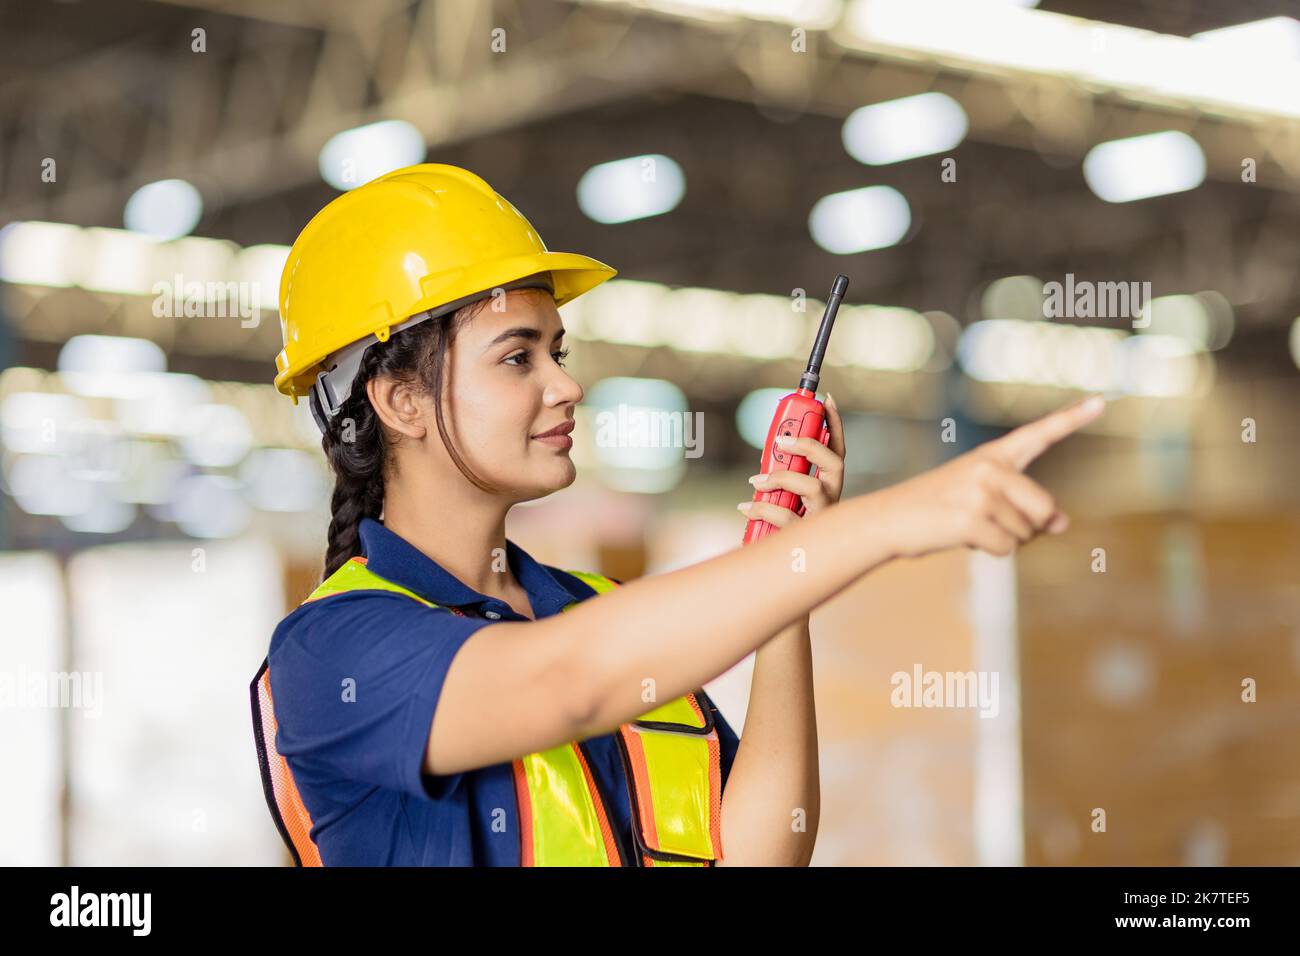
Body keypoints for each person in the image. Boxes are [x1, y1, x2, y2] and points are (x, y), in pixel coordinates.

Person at [252, 162, 1105, 867]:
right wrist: (883, 523)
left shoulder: (593, 611)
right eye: (518, 358)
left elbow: (764, 853)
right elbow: (564, 682)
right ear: (400, 398)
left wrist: (791, 566)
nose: (565, 385)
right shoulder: (333, 652)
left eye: (559, 351)